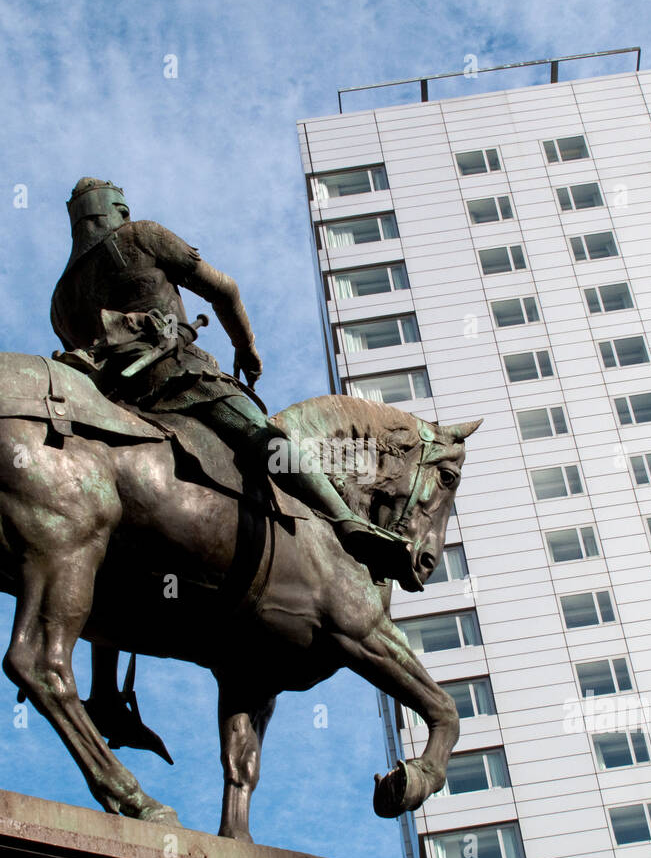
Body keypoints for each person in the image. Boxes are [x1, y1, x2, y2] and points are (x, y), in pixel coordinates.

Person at [49, 177, 413, 584]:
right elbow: (224, 290)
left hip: (114, 406)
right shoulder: (141, 236)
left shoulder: (61, 298)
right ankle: (348, 522)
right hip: (180, 377)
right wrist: (246, 346)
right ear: (118, 209)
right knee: (264, 437)